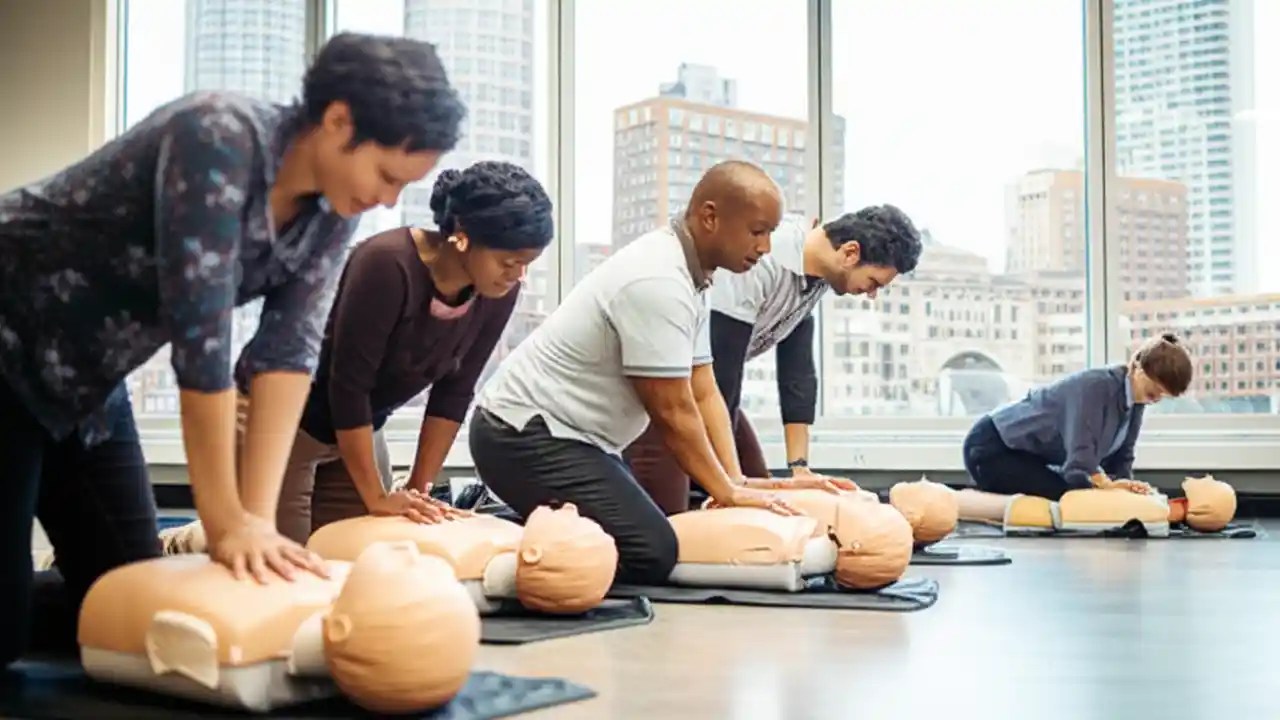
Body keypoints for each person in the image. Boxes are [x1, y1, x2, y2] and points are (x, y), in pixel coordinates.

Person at [0, 32, 465, 665]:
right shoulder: (217, 136)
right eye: (386, 175)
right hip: (6, 346)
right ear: (337, 121)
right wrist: (222, 521)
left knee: (141, 614)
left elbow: (287, 355)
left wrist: (257, 520)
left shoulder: (334, 209)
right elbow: (203, 340)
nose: (388, 200)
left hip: (88, 384)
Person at [467, 160, 846, 586]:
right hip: (522, 435)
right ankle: (493, 553)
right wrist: (725, 492)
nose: (765, 247)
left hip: (579, 439)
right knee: (652, 552)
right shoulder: (657, 279)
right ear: (709, 217)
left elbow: (704, 391)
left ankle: (530, 523)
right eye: (757, 231)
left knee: (648, 532)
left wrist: (734, 480)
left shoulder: (696, 278)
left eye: (771, 234)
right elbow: (673, 410)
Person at [267, 161, 552, 543]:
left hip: (361, 426)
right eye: (508, 262)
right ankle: (196, 537)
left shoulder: (497, 292)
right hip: (288, 418)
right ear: (463, 236)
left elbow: (454, 392)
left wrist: (419, 490)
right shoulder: (388, 263)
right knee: (288, 566)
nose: (517, 276)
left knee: (360, 556)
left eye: (526, 265)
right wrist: (378, 497)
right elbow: (348, 387)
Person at [624, 205, 924, 513]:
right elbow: (721, 372)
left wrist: (799, 468)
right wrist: (731, 483)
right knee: (674, 525)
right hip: (659, 394)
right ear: (850, 253)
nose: (871, 294)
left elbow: (798, 374)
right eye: (874, 282)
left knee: (766, 503)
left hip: (707, 392)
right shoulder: (762, 259)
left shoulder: (819, 277)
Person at [962, 333, 1194, 500]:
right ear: (1138, 368)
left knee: (1075, 491)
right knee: (1066, 495)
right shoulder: (1094, 388)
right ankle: (966, 500)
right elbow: (1079, 465)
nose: (1158, 398)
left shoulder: (1136, 402)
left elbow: (1122, 459)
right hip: (991, 447)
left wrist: (1127, 489)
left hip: (1027, 456)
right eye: (1157, 389)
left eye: (1164, 395)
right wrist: (1109, 487)